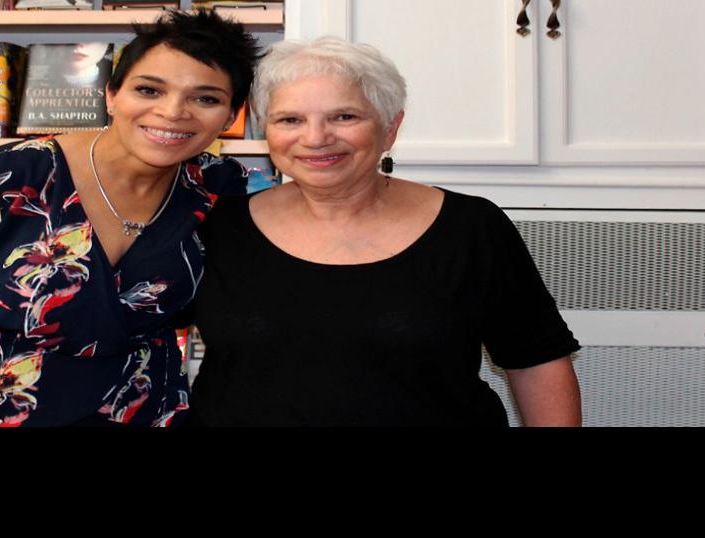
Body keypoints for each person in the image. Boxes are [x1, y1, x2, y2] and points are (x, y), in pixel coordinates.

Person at [0, 10, 260, 427]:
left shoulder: (218, 189)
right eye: (149, 89)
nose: (172, 111)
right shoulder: (6, 176)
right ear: (111, 95)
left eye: (206, 99)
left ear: (231, 116)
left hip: (138, 413)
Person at [187, 37, 582, 427]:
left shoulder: (471, 227)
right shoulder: (216, 224)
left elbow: (538, 362)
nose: (315, 138)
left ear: (390, 128)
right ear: (266, 131)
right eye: (290, 120)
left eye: (344, 117)